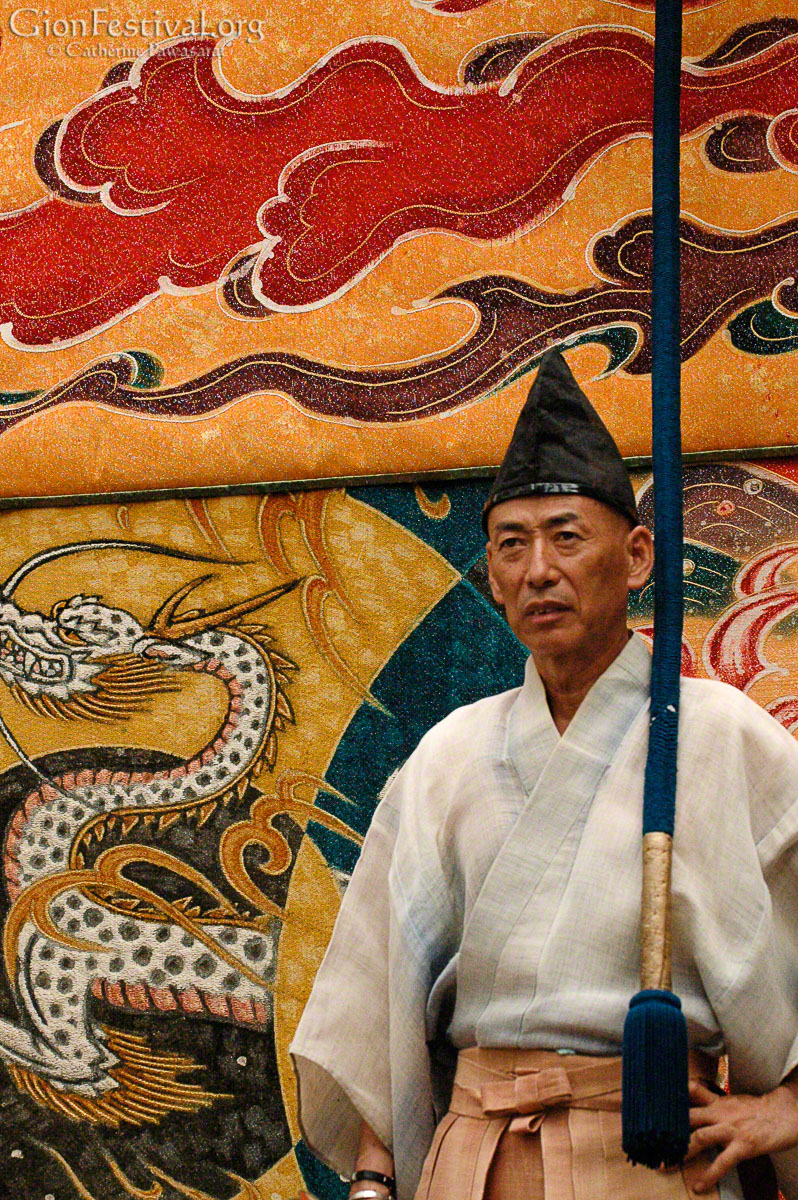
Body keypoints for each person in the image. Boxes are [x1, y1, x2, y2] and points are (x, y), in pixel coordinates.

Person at [290, 350, 798, 1200]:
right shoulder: (449, 756)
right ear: (490, 575)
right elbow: (385, 988)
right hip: (476, 1159)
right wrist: (376, 1181)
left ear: (636, 557)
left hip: (650, 1159)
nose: (538, 570)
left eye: (567, 537)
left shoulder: (719, 737)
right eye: (512, 545)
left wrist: (785, 1107)